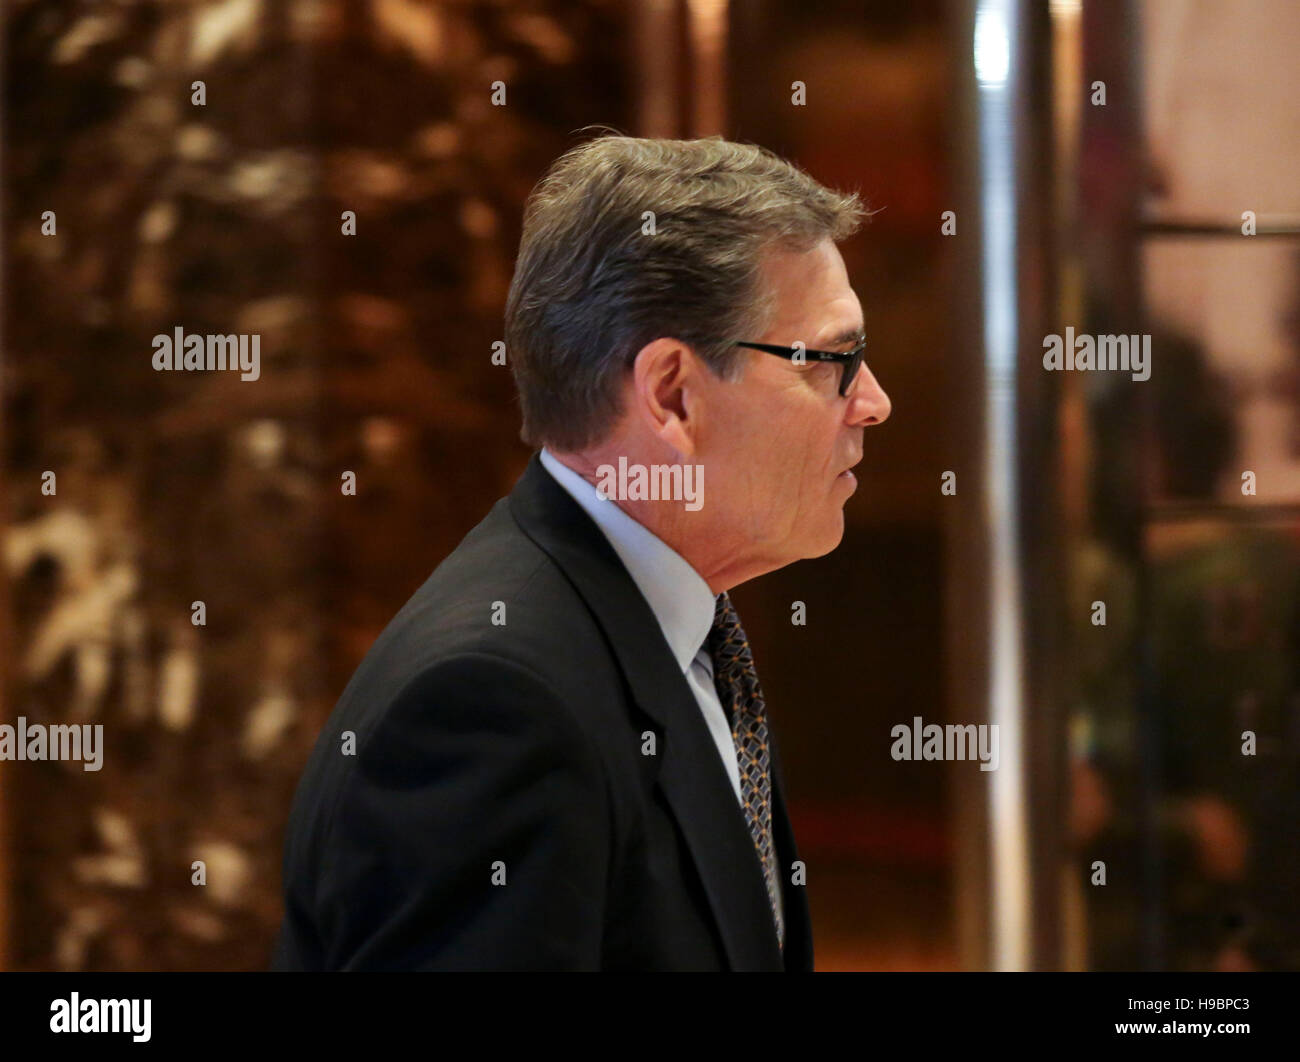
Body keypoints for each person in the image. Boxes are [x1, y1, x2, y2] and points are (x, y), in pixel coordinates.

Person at [271, 134, 891, 970]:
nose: (874, 402)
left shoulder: (677, 631)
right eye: (833, 360)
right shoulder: (493, 705)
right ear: (672, 393)